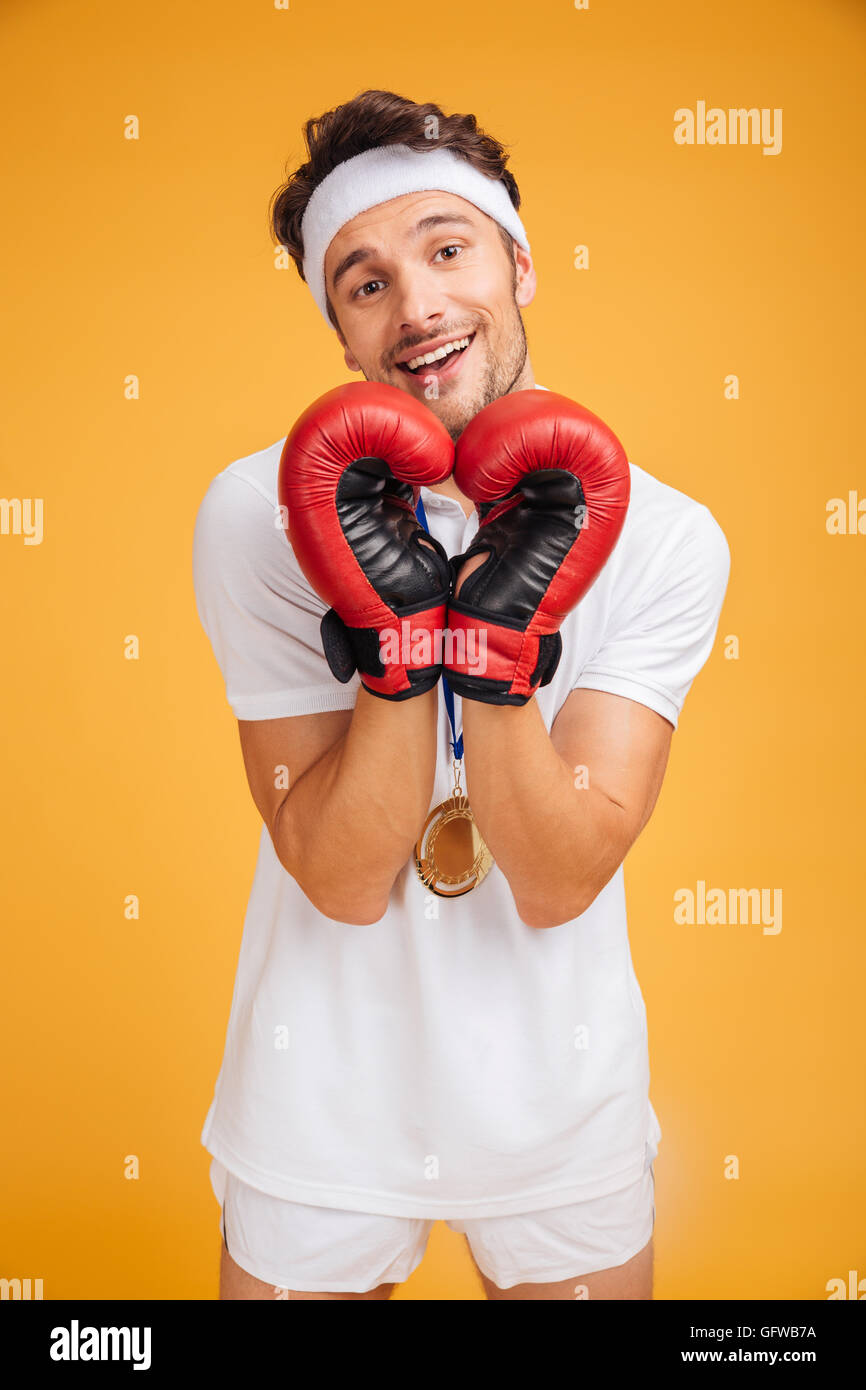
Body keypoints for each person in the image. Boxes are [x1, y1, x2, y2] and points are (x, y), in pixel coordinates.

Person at [192, 89, 731, 1301]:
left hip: (558, 1097)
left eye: (447, 249)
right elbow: (335, 875)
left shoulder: (665, 534)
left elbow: (553, 879)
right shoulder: (256, 513)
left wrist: (493, 638)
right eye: (364, 280)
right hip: (319, 1095)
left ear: (519, 265)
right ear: (337, 331)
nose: (419, 305)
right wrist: (392, 639)